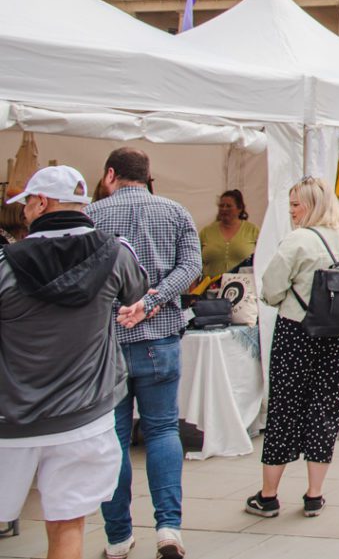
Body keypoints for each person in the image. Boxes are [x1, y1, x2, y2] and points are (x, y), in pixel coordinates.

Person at [0, 167, 147, 559]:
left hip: (10, 419)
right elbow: (138, 293)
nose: (25, 212)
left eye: (27, 203)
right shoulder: (116, 252)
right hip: (85, 418)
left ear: (42, 203)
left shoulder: (5, 261)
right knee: (68, 528)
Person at [85, 148, 200, 559]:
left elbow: (84, 280)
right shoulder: (176, 212)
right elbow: (191, 267)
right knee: (163, 431)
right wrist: (153, 300)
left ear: (110, 173)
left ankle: (118, 536)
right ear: (148, 176)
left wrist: (125, 306)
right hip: (160, 338)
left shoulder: (92, 215)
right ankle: (169, 527)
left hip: (108, 343)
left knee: (112, 439)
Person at [247, 176, 339, 519]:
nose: (292, 212)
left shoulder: (298, 241)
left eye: (296, 205)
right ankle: (314, 493)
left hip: (296, 331)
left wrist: (289, 297)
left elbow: (270, 289)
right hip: (337, 333)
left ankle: (269, 495)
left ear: (311, 205)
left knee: (286, 408)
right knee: (326, 408)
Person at [198, 189, 257, 281]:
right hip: (208, 290)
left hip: (242, 289)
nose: (224, 209)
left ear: (239, 208)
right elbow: (194, 263)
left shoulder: (252, 231)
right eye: (221, 206)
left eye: (229, 206)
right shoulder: (206, 232)